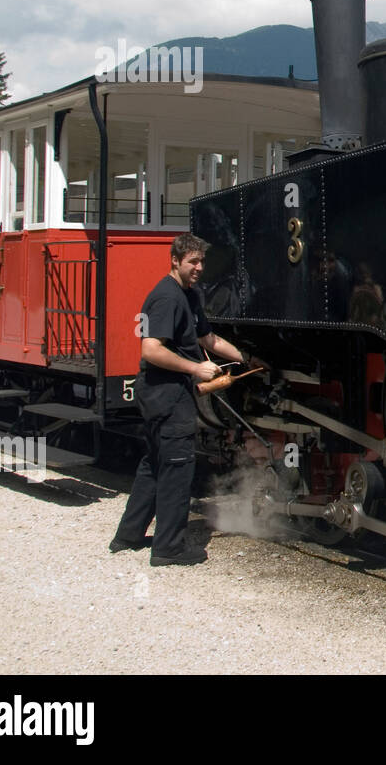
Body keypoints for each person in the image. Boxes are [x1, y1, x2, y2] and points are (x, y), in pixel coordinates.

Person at [109, 233, 251, 566]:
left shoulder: (190, 294)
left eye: (202, 261)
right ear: (175, 261)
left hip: (169, 391)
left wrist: (244, 357)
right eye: (193, 262)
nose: (199, 268)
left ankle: (127, 536)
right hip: (165, 392)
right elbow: (151, 349)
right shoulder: (166, 297)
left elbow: (208, 338)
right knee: (177, 467)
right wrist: (196, 368)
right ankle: (168, 548)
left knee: (155, 462)